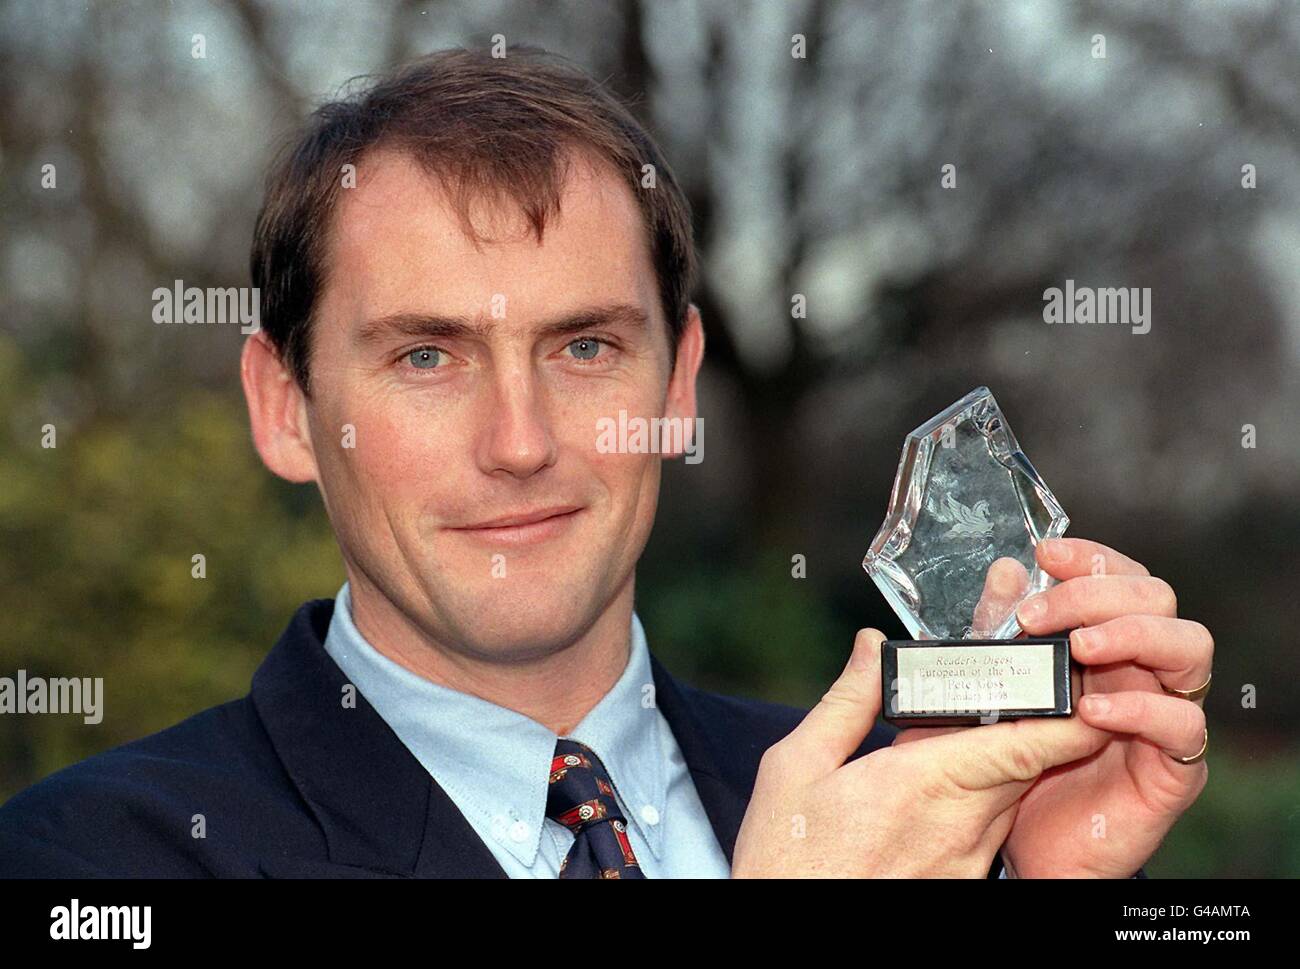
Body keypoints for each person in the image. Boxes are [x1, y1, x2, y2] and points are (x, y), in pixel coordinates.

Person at [0, 46, 1210, 878]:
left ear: (677, 387)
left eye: (584, 347)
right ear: (284, 408)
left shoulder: (891, 809)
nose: (520, 443)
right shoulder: (95, 858)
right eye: (426, 356)